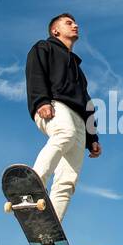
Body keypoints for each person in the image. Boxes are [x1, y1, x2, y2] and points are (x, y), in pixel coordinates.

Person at [25, 13, 102, 221]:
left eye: (76, 23)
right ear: (55, 30)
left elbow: (87, 103)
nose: (75, 25)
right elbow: (35, 73)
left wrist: (93, 138)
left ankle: (50, 231)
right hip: (55, 106)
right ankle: (30, 188)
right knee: (64, 133)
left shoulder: (78, 71)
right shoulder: (44, 48)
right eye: (69, 23)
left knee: (69, 178)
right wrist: (41, 101)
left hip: (79, 120)